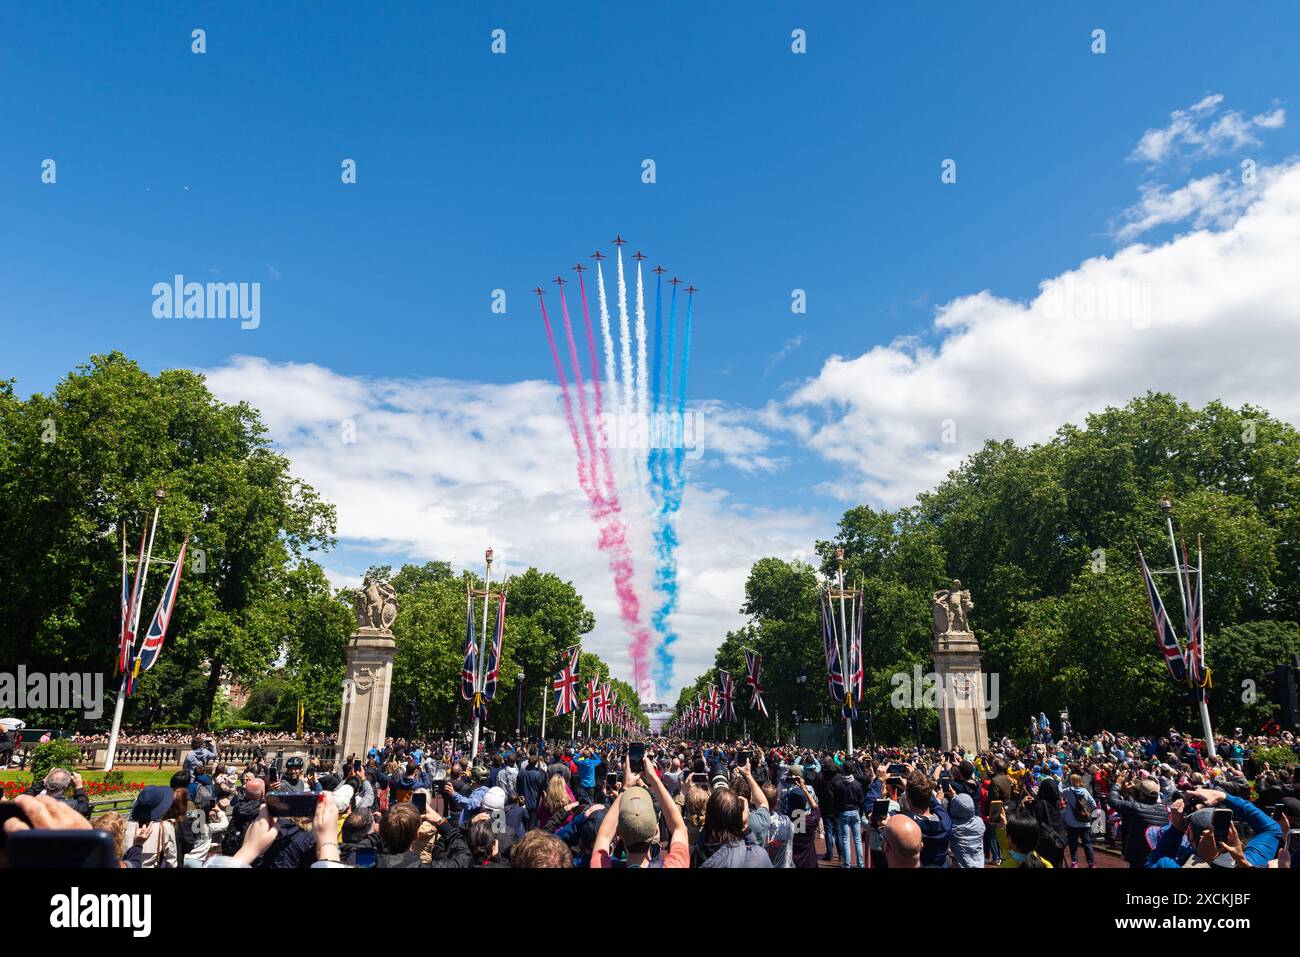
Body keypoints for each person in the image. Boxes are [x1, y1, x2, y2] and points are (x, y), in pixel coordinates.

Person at [1108, 771, 1170, 868]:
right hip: (1157, 856)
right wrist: (1130, 793)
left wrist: (1117, 784)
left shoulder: (1136, 807)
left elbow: (1113, 801)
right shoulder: (1166, 809)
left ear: (1141, 794)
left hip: (1139, 857)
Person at [1063, 772, 1098, 868]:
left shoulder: (1068, 790)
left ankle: (1074, 862)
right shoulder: (1085, 791)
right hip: (1084, 822)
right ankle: (1091, 863)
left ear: (1071, 781)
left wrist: (1062, 781)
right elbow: (1093, 804)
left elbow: (1059, 792)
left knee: (1073, 843)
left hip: (1072, 822)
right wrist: (1086, 810)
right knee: (1087, 843)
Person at [946, 793, 985, 868]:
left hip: (962, 865)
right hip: (979, 864)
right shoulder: (979, 822)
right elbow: (964, 809)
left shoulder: (953, 827)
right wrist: (957, 798)